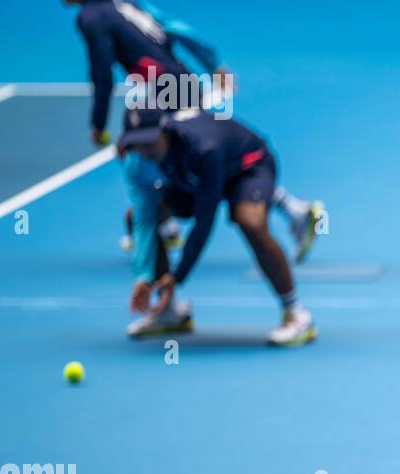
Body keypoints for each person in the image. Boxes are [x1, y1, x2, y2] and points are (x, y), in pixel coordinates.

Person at [49, 0, 322, 258]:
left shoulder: (90, 17)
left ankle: (166, 225)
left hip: (168, 90)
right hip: (180, 81)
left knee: (151, 151)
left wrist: (97, 124)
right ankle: (172, 223)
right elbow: (177, 28)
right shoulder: (126, 3)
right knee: (167, 153)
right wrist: (212, 63)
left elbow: (102, 75)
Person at [118, 107, 318, 347]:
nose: (145, 150)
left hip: (246, 167)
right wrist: (144, 276)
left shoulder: (203, 148)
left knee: (249, 221)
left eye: (149, 141)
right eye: (137, 143)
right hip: (196, 177)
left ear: (165, 131)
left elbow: (204, 220)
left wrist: (178, 276)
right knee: (138, 216)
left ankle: (296, 313)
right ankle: (169, 312)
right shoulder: (137, 163)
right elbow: (145, 219)